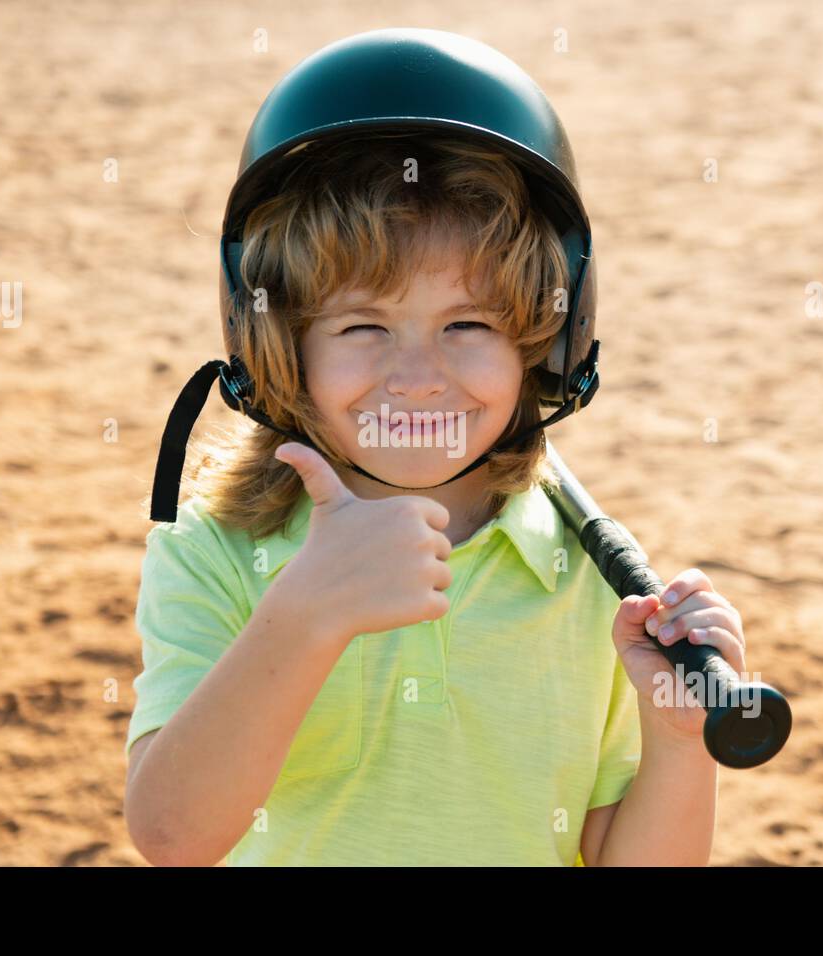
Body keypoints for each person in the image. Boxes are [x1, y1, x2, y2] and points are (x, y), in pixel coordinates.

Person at [123, 29, 747, 866]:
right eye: (362, 326)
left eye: (467, 324)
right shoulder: (219, 550)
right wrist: (307, 612)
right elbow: (172, 834)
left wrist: (679, 744)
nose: (417, 378)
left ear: (547, 342)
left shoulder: (582, 581)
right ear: (276, 343)